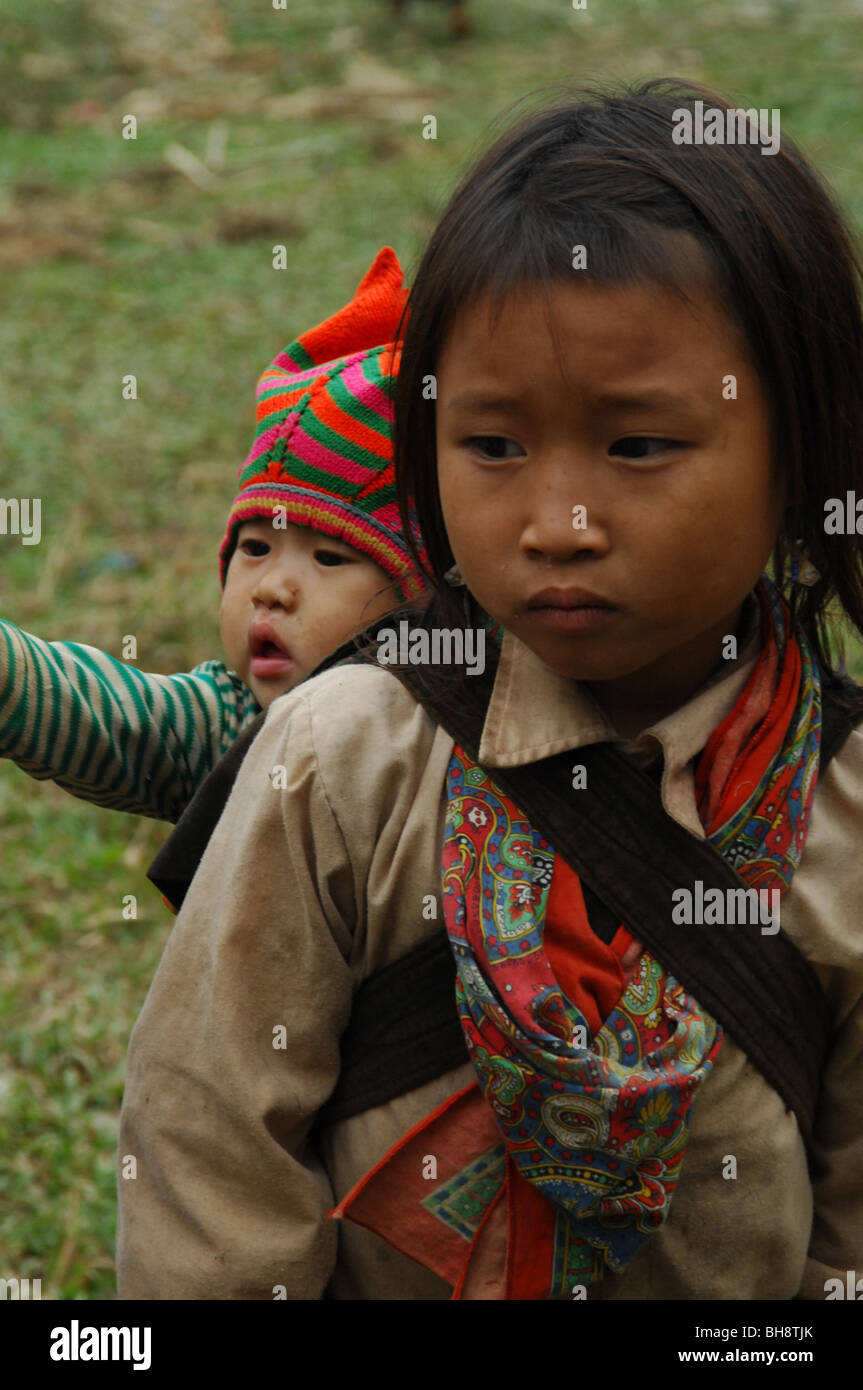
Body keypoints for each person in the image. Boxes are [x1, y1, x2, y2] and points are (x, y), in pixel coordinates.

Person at [116, 78, 863, 1300]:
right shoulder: (344, 752)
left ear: (798, 450)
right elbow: (210, 1133)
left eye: (636, 446)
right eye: (494, 446)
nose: (556, 525)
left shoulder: (838, 798)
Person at [0, 248, 425, 827]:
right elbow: (117, 718)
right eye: (255, 549)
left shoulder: (465, 738)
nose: (272, 588)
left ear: (423, 602)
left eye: (329, 557)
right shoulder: (236, 731)